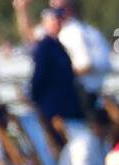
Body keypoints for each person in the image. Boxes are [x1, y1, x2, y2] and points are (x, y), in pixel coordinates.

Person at [29, 7, 85, 138]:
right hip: (52, 105)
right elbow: (40, 75)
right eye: (53, 20)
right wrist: (36, 97)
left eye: (59, 20)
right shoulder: (45, 47)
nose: (57, 23)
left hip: (65, 102)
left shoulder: (59, 46)